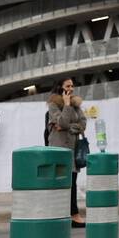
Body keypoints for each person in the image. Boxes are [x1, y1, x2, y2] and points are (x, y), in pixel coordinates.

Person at [47, 78, 88, 226]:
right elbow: (62, 122)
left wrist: (69, 127)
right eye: (67, 86)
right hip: (59, 148)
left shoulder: (76, 104)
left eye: (72, 86)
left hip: (73, 147)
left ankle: (72, 215)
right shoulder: (53, 104)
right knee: (63, 182)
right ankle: (72, 215)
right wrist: (66, 105)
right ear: (60, 87)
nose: (71, 88)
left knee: (73, 181)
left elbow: (83, 124)